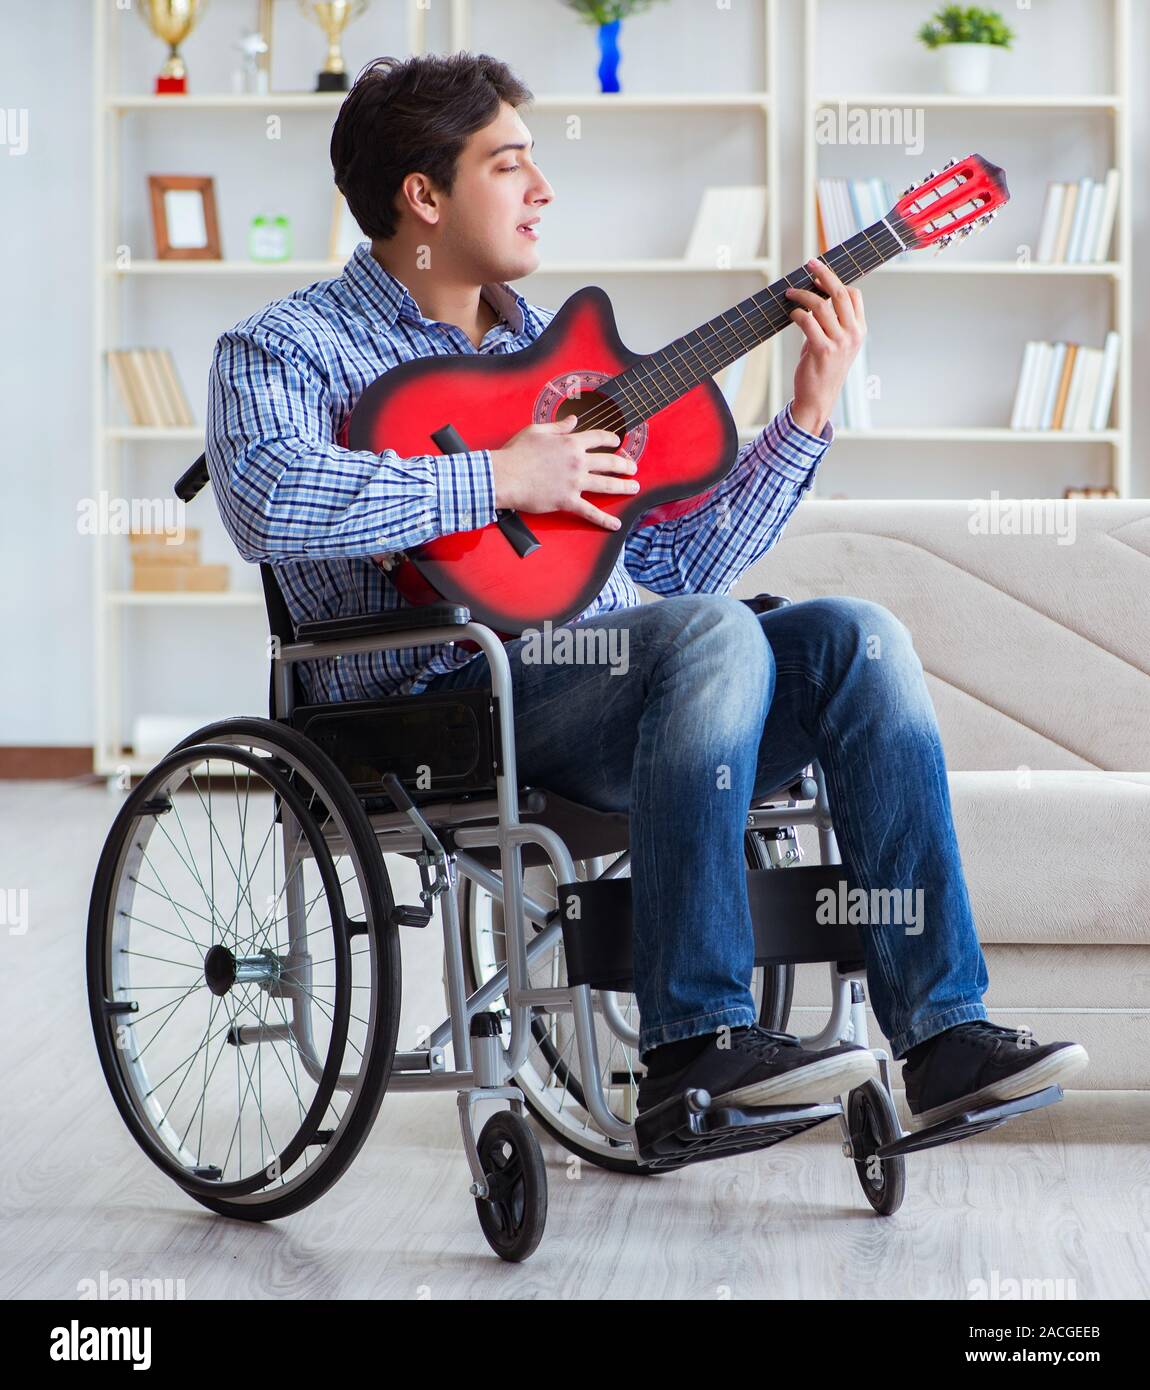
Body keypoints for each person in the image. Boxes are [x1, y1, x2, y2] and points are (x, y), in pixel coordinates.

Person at [205, 51, 1088, 1131]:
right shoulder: (284, 348)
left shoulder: (557, 363)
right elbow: (263, 501)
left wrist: (803, 417)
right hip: (441, 703)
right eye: (510, 164)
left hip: (633, 688)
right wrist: (499, 474)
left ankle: (943, 1034)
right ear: (422, 195)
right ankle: (697, 1044)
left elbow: (667, 578)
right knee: (709, 639)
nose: (545, 189)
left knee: (857, 636)